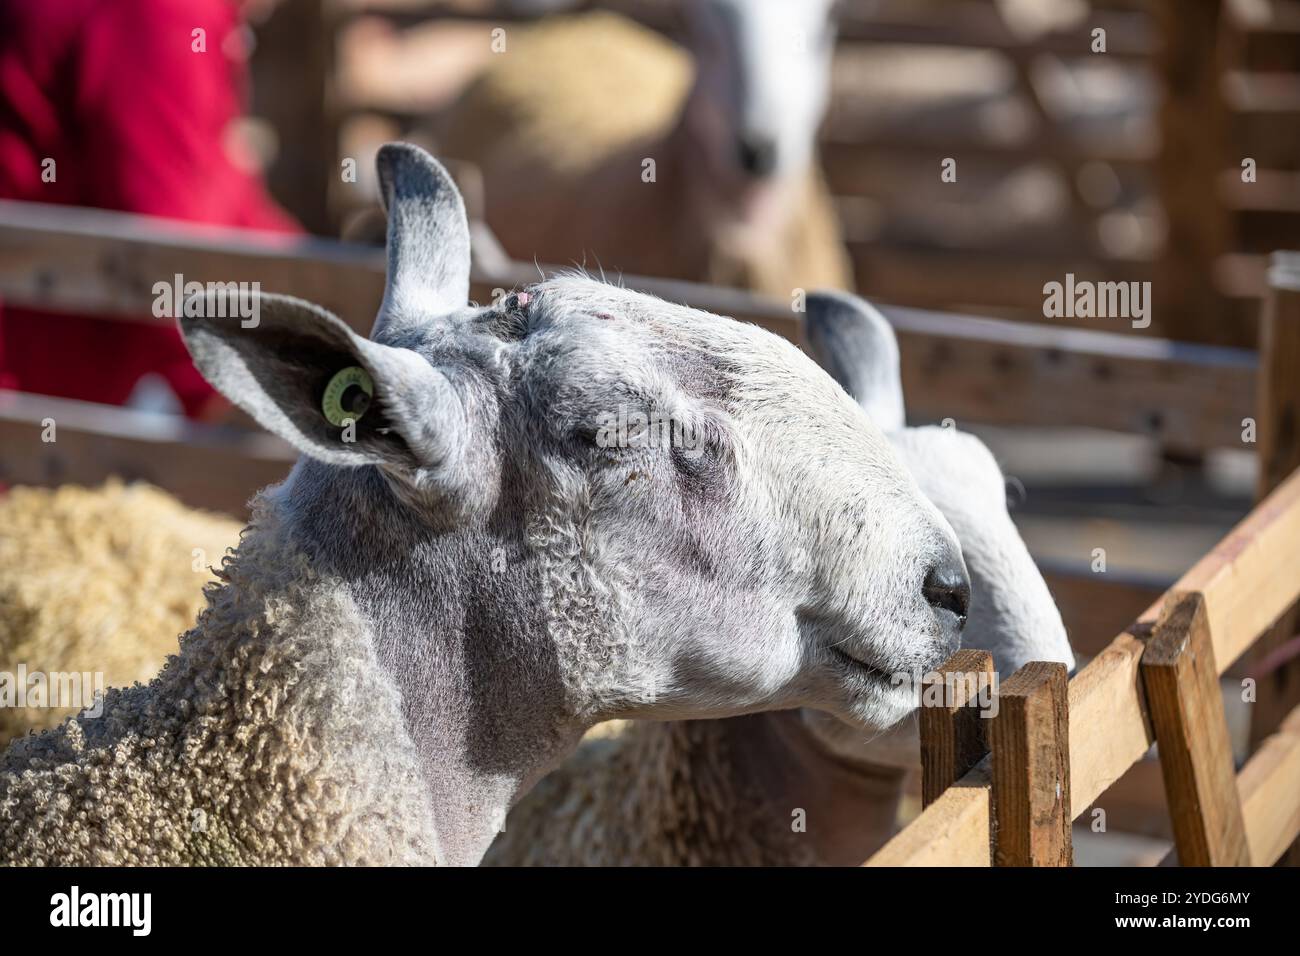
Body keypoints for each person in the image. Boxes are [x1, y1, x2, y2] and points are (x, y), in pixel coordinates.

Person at [0, 0, 299, 419]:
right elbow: (166, 248)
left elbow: (212, 183)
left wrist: (326, 299)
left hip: (73, 371)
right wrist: (276, 393)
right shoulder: (163, 13)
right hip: (42, 400)